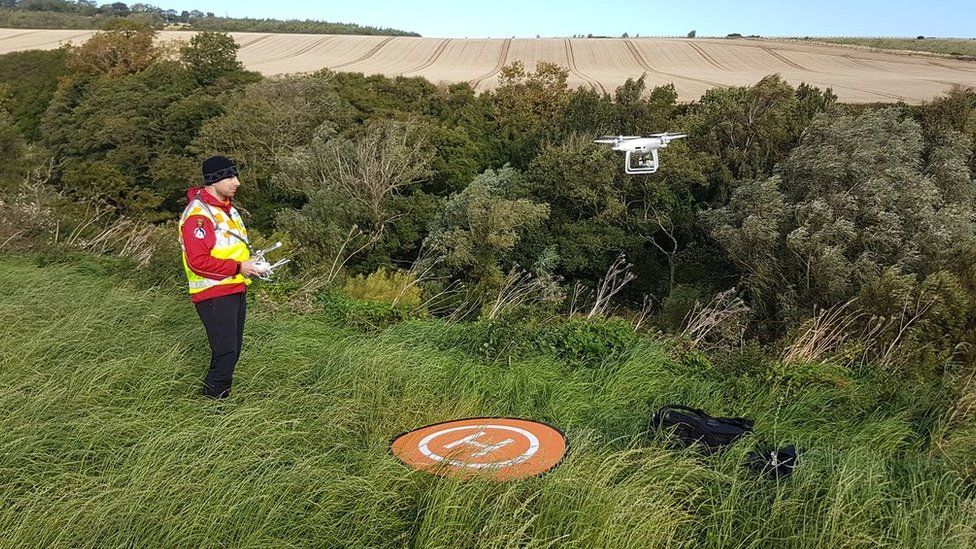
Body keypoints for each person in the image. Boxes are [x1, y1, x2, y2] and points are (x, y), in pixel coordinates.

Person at [179, 156, 264, 399]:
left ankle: (217, 401)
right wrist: (239, 267)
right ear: (213, 180)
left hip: (235, 288)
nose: (237, 182)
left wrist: (252, 263)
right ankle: (212, 406)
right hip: (214, 293)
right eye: (230, 177)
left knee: (232, 352)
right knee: (225, 353)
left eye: (236, 175)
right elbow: (197, 261)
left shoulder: (227, 209)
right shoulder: (199, 215)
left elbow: (231, 247)